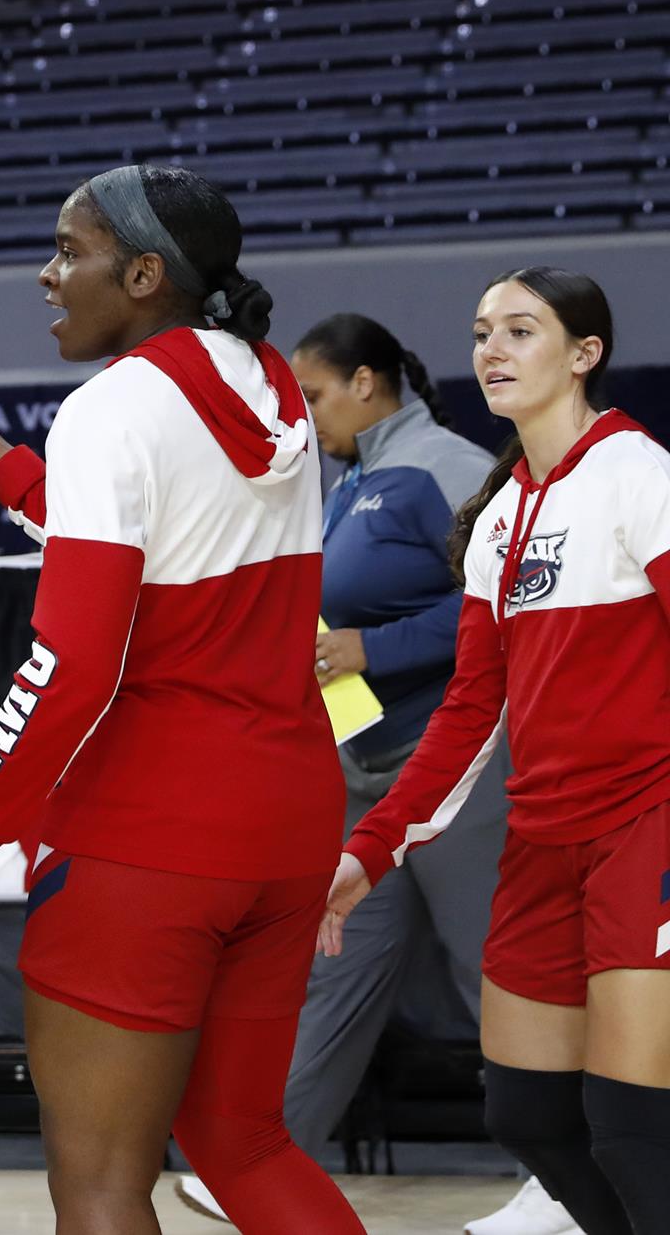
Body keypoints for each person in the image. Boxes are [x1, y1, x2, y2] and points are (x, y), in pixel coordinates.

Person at [0, 163, 366, 1233]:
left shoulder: (111, 409)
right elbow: (168, 552)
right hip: (285, 818)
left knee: (98, 1184)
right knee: (242, 1143)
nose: (46, 275)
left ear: (139, 273)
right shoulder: (269, 383)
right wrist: (5, 469)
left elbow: (67, 669)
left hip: (145, 836)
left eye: (68, 252)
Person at [326, 268, 670, 1235]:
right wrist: (370, 848)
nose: (492, 350)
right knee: (526, 1111)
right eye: (482, 333)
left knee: (636, 1128)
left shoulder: (640, 475)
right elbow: (471, 713)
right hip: (542, 842)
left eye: (521, 330)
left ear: (584, 353)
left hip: (647, 829)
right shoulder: (499, 516)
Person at [176, 313, 522, 1227]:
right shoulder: (350, 481)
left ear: (367, 383)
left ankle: (565, 1174)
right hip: (368, 770)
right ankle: (255, 1158)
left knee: (493, 966)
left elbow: (512, 600)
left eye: (318, 393)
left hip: (453, 770)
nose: (307, 410)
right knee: (332, 971)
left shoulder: (440, 462)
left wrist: (375, 647)